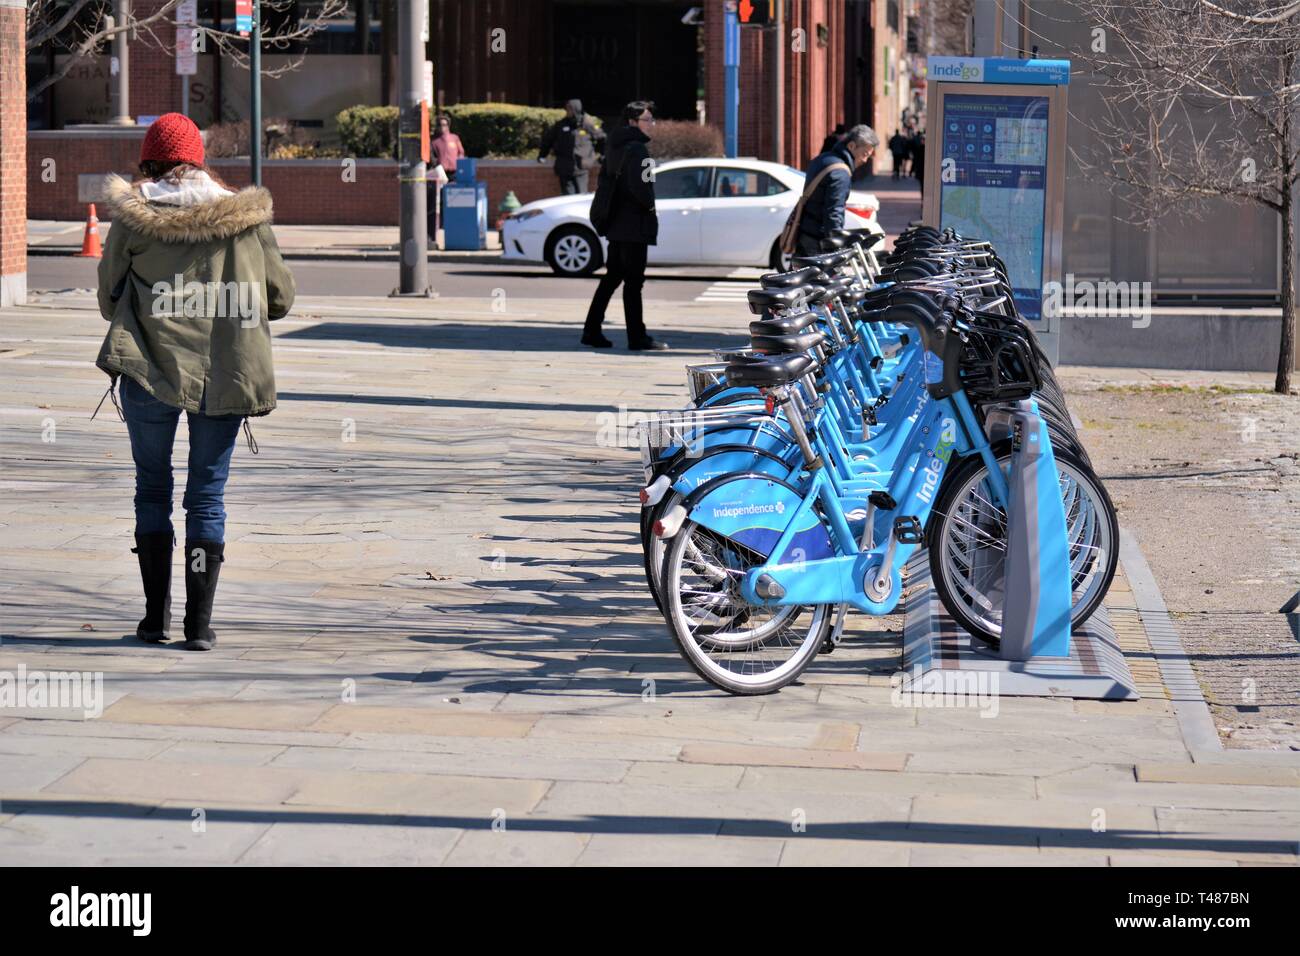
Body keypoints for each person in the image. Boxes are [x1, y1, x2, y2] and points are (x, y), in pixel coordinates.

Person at [95, 113, 295, 652]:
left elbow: (109, 296)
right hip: (225, 374)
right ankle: (198, 625)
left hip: (148, 371)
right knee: (207, 496)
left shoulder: (132, 220)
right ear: (201, 160)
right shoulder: (247, 219)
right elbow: (279, 298)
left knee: (151, 488)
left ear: (150, 161)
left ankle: (153, 620)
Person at [581, 100, 668, 351]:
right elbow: (642, 187)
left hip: (616, 225)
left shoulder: (614, 146)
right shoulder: (639, 149)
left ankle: (591, 329)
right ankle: (637, 337)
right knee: (633, 283)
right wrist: (650, 207)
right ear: (633, 122)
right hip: (634, 225)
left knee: (612, 278)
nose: (651, 124)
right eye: (647, 119)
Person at [794, 123, 878, 256]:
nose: (865, 160)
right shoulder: (840, 172)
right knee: (822, 276)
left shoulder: (822, 159)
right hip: (818, 239)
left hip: (805, 233)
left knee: (802, 273)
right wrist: (834, 244)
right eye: (864, 154)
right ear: (851, 146)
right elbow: (834, 211)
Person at [538, 98, 606, 194]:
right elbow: (548, 140)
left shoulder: (587, 124)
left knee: (581, 195)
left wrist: (601, 155)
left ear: (576, 109)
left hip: (581, 167)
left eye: (569, 109)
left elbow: (601, 139)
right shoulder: (561, 125)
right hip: (564, 167)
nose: (567, 111)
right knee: (567, 196)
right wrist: (542, 155)